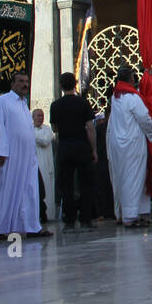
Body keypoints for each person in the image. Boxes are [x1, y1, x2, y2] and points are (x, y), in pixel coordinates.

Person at [0, 71, 49, 240]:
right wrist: (1, 152)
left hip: (26, 157)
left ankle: (31, 227)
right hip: (9, 156)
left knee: (29, 190)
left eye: (27, 81)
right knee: (5, 192)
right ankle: (1, 229)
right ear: (12, 83)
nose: (25, 84)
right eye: (21, 81)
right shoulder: (3, 101)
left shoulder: (23, 103)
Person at [106, 63, 152, 227]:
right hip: (133, 144)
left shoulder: (115, 97)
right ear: (131, 79)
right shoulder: (133, 98)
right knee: (133, 178)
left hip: (118, 144)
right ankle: (130, 216)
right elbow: (145, 119)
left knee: (123, 178)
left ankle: (130, 213)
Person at [50, 72, 98, 231]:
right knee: (86, 184)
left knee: (66, 186)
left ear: (61, 86)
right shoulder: (83, 103)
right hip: (82, 146)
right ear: (75, 84)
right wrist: (94, 149)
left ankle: (69, 221)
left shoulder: (55, 105)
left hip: (64, 147)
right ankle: (85, 219)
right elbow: (90, 128)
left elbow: (54, 128)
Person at [33, 108, 55, 221]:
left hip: (46, 165)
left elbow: (45, 140)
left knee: (47, 190)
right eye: (38, 116)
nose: (40, 118)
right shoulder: (29, 129)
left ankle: (48, 215)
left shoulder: (47, 129)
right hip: (34, 165)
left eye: (42, 115)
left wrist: (32, 136)